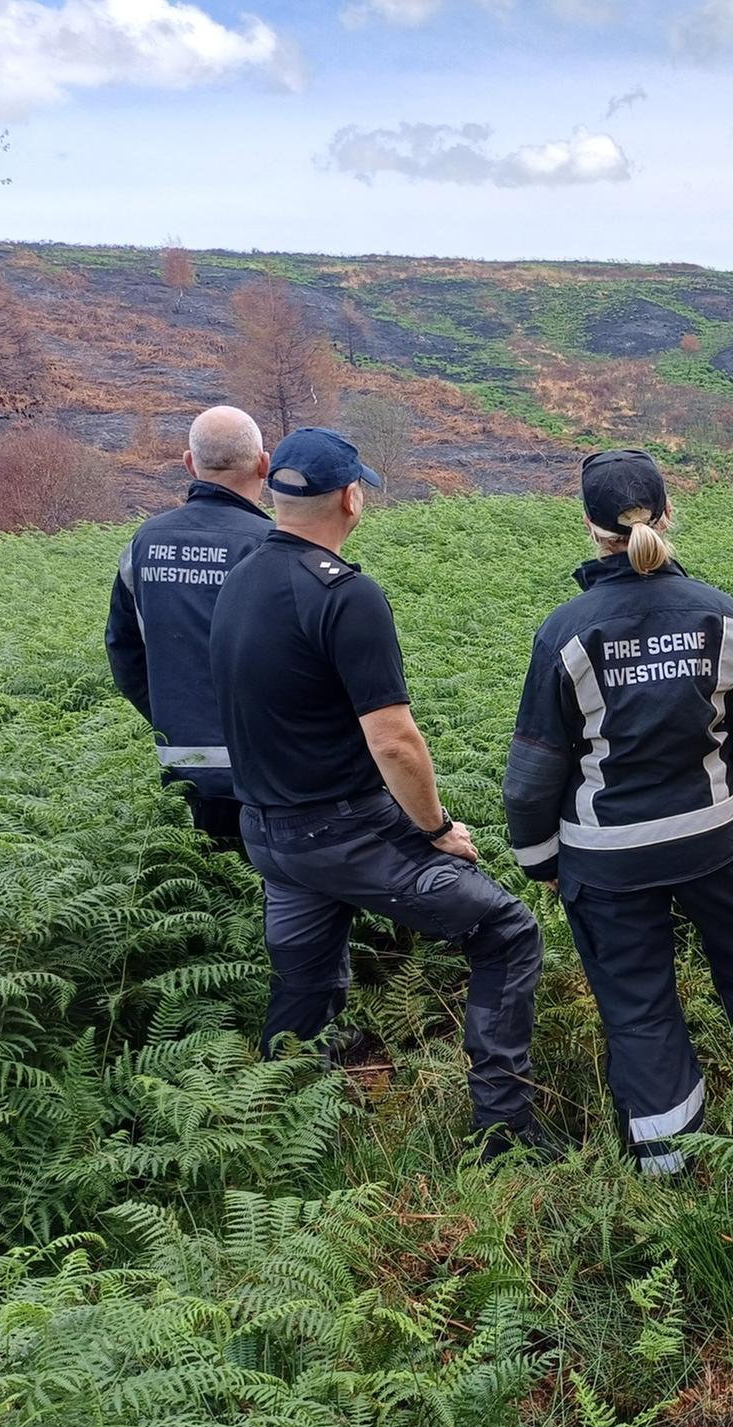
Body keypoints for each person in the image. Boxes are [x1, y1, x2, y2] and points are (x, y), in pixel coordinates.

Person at [210, 427, 546, 1157]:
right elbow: (393, 740)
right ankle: (505, 1132)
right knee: (507, 932)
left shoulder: (239, 577)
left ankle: (281, 1140)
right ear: (350, 497)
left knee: (305, 984)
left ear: (276, 488)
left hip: (271, 836)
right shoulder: (346, 594)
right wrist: (435, 831)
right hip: (345, 835)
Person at [504, 449, 733, 1177]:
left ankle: (670, 1169)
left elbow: (535, 770)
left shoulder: (567, 631)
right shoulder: (721, 614)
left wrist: (539, 859)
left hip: (607, 861)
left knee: (638, 1006)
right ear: (668, 516)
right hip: (716, 841)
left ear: (589, 527)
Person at [105, 405, 274, 846]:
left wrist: (171, 719)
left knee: (208, 897)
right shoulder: (268, 546)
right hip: (270, 768)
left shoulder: (143, 543)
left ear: (189, 464)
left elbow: (124, 652)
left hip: (185, 762)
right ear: (263, 464)